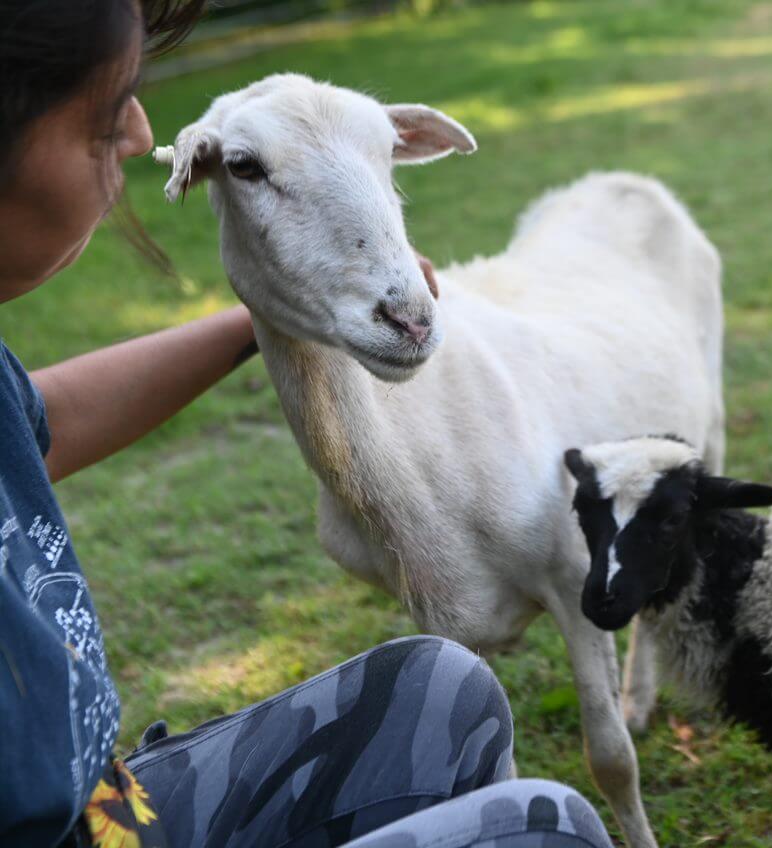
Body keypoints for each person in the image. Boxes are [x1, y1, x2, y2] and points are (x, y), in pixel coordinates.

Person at [0, 2, 613, 847]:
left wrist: (264, 319)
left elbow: (38, 422)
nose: (142, 133)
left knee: (443, 685)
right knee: (549, 830)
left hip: (106, 809)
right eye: (108, 108)